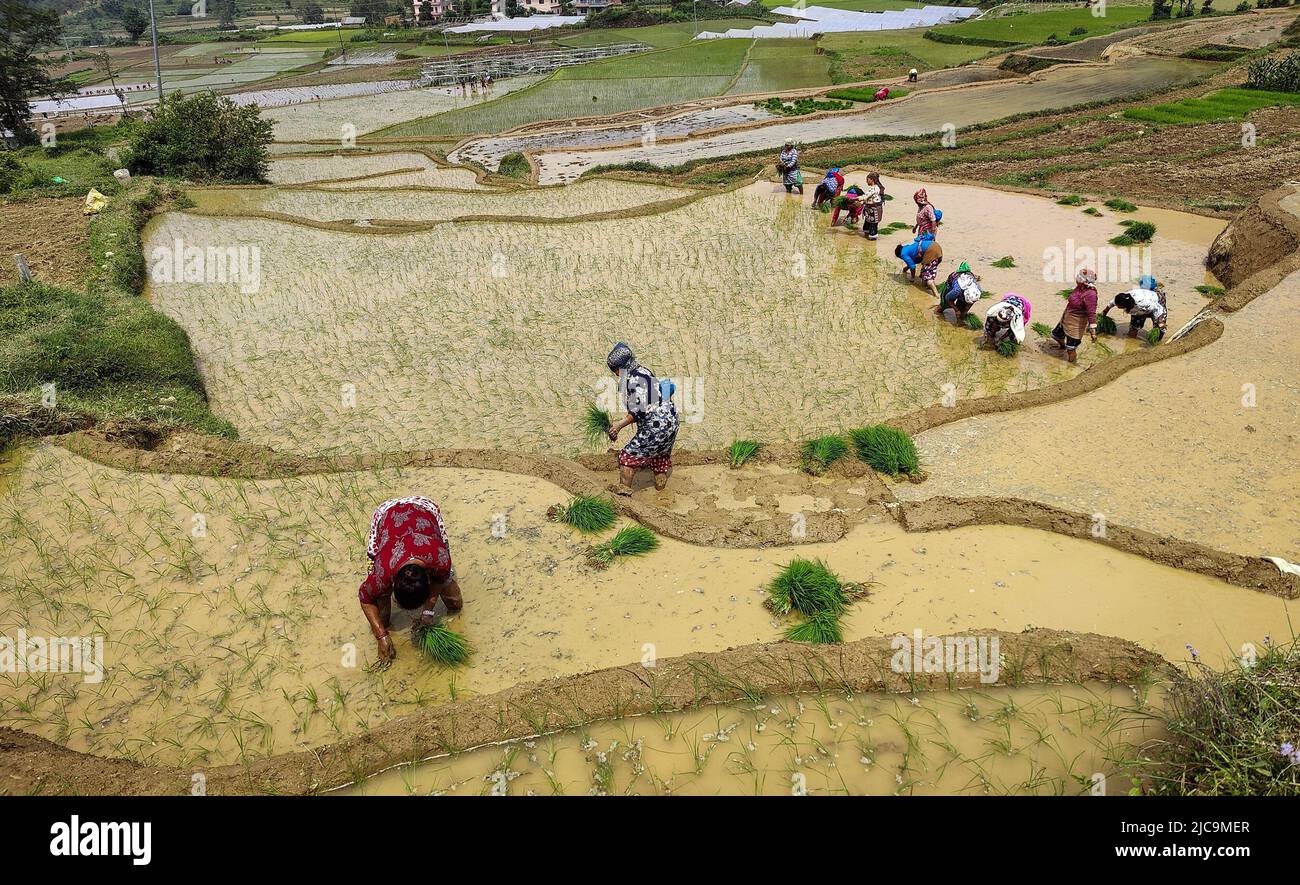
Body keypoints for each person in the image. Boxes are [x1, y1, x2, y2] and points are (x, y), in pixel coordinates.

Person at [358, 496, 463, 666]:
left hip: (423, 509)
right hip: (387, 514)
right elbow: (365, 598)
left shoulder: (439, 558)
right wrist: (381, 635)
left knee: (455, 604)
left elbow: (439, 580)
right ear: (392, 583)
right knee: (382, 618)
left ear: (428, 577)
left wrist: (428, 611)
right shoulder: (382, 572)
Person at [605, 342, 680, 494]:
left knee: (627, 456)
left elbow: (639, 409)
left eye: (616, 371)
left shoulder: (633, 380)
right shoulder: (643, 371)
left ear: (622, 368)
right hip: (671, 422)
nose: (616, 375)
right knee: (660, 455)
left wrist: (618, 425)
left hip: (656, 426)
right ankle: (661, 492)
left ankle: (623, 497)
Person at [1052, 268, 1099, 363]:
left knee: (1071, 348)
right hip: (1066, 318)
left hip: (1076, 324)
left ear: (1085, 282)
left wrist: (1093, 331)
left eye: (1079, 278)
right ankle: (1062, 346)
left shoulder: (1091, 295)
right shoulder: (1079, 288)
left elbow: (1091, 312)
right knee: (1056, 335)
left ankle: (1071, 365)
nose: (1077, 279)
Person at [1101, 275, 1168, 340]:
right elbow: (1112, 303)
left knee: (1159, 328)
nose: (1117, 307)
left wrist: (1160, 321)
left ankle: (1158, 343)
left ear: (1126, 306)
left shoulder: (1143, 304)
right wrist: (1104, 312)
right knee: (1133, 328)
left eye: (1119, 307)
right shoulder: (1122, 298)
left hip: (1157, 301)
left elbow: (1158, 309)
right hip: (1141, 305)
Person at [896, 232, 943, 300]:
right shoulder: (907, 248)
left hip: (930, 251)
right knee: (925, 273)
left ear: (899, 255)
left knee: (927, 277)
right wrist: (905, 269)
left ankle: (936, 295)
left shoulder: (903, 254)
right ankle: (926, 287)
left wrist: (912, 278)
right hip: (936, 247)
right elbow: (914, 261)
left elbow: (912, 266)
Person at [861, 171, 885, 240]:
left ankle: (872, 242)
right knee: (867, 225)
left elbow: (865, 196)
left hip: (874, 210)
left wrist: (856, 199)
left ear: (872, 180)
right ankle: (867, 238)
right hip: (870, 210)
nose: (866, 181)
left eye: (867, 179)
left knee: (873, 227)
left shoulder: (874, 189)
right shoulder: (875, 188)